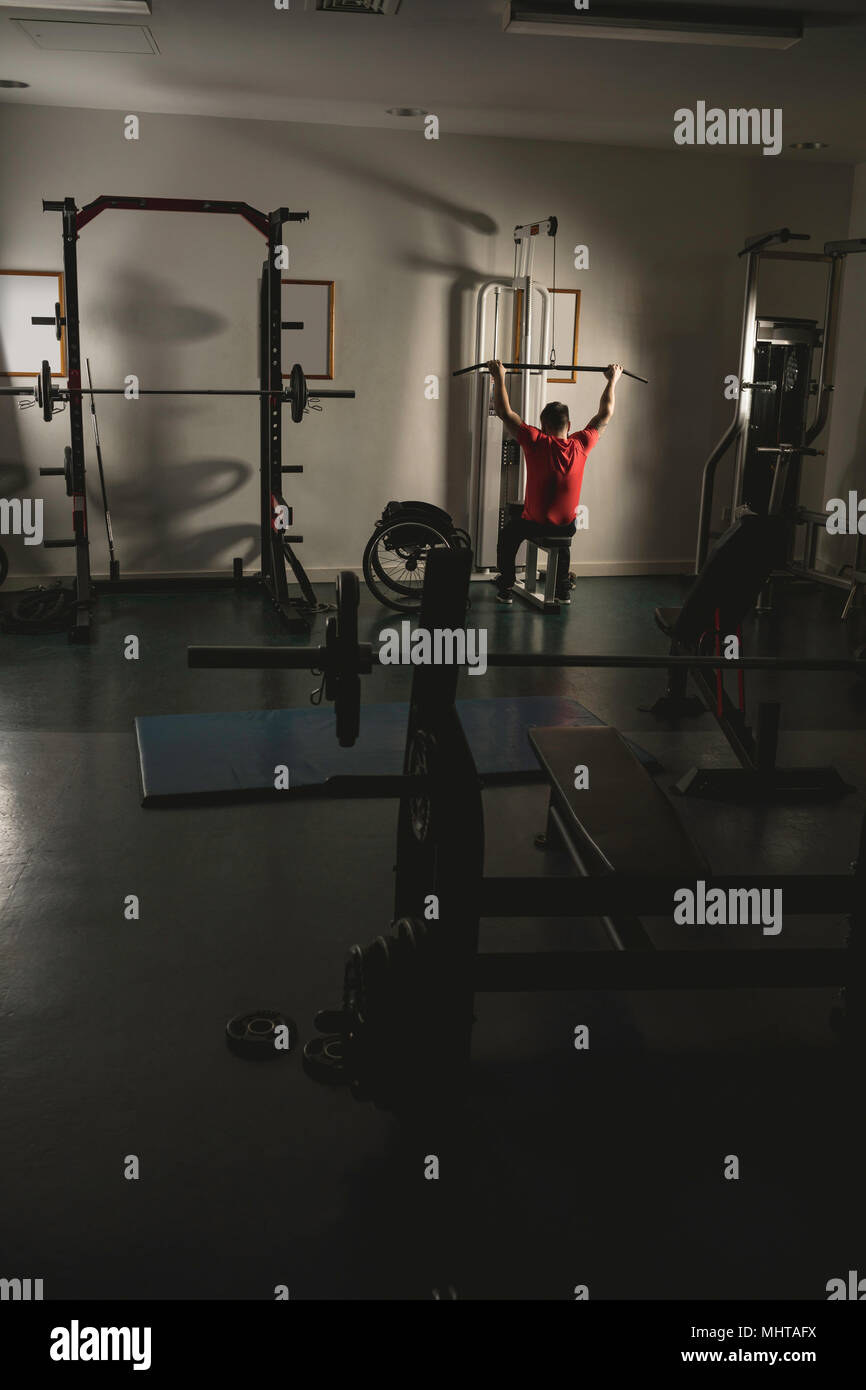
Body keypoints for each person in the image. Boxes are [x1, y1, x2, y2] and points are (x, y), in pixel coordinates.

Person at [486, 359, 623, 602]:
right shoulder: (582, 444)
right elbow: (606, 413)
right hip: (566, 525)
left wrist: (498, 376)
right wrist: (613, 380)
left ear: (543, 425)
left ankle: (506, 584)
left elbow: (505, 412)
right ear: (569, 425)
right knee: (564, 534)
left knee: (509, 532)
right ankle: (561, 589)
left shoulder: (536, 441)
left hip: (536, 525)